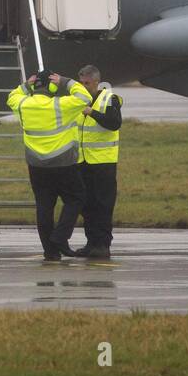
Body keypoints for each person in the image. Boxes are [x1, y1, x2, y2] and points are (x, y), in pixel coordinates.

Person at [6, 70, 93, 260]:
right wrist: (66, 81)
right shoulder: (60, 105)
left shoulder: (23, 104)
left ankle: (50, 251)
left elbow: (12, 96)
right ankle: (60, 237)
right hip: (63, 163)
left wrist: (26, 85)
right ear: (52, 87)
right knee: (76, 198)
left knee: (44, 206)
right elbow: (84, 97)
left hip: (36, 165)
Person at [76, 65, 122, 259]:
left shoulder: (108, 99)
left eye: (86, 83)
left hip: (103, 163)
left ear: (96, 82)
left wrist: (92, 112)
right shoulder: (77, 100)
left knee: (103, 205)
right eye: (81, 83)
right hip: (83, 161)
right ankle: (91, 242)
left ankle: (103, 245)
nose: (83, 86)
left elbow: (114, 122)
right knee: (86, 205)